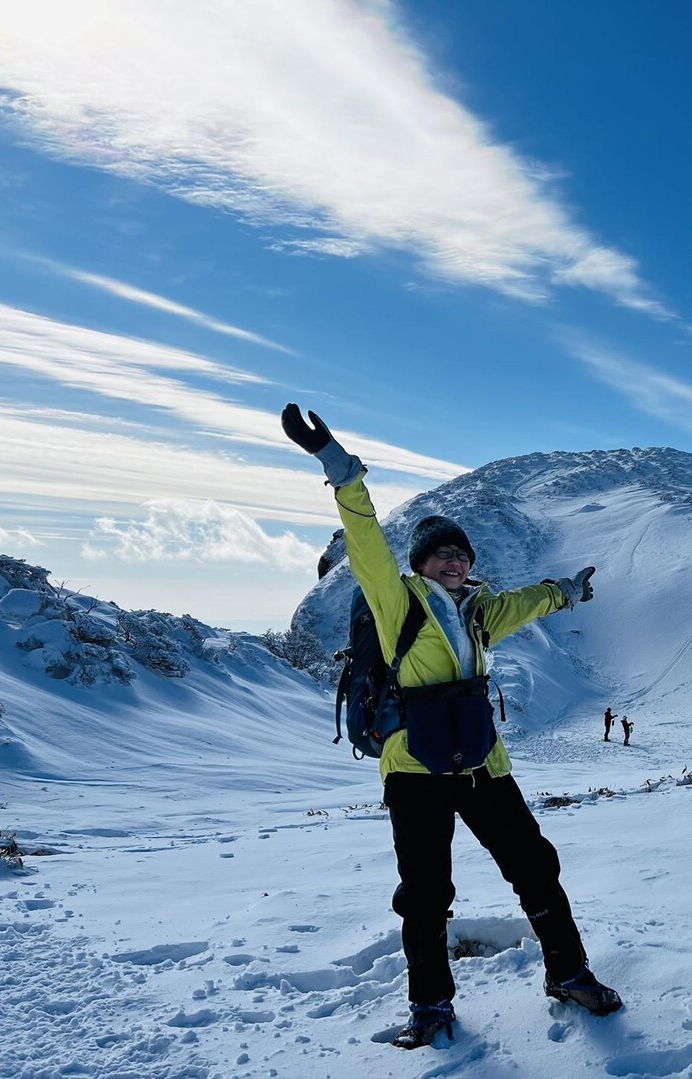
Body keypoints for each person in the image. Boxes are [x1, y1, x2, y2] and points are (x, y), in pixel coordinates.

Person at [281, 405, 621, 1050]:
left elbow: (529, 601)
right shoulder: (397, 598)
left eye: (460, 554)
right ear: (420, 565)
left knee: (536, 867)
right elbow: (368, 545)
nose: (453, 563)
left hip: (484, 763)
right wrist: (340, 471)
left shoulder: (481, 609)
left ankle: (569, 974)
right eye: (440, 556)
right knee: (426, 891)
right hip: (415, 768)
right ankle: (431, 1005)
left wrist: (567, 592)